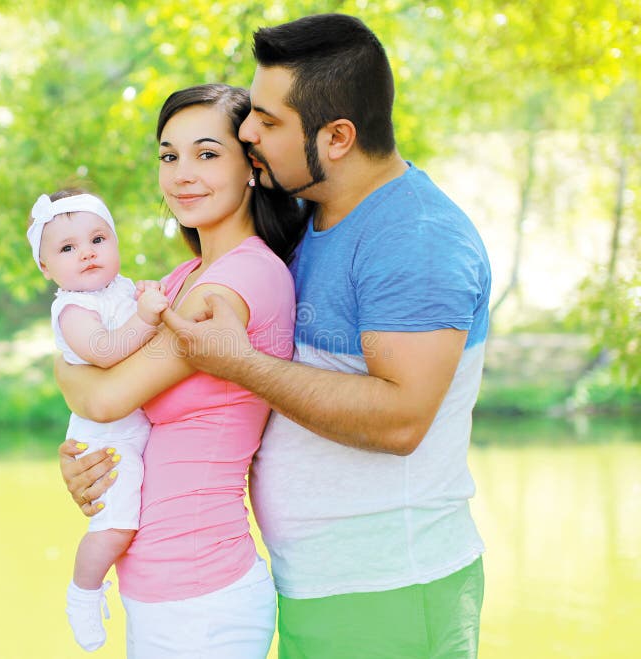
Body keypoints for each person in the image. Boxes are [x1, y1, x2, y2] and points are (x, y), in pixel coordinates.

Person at [61, 13, 492, 659]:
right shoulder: (308, 228)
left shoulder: (416, 239)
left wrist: (240, 364)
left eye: (268, 121)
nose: (250, 134)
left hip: (392, 588)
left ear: (338, 136)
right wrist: (99, 459)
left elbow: (402, 420)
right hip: (309, 583)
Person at [54, 83, 307, 658]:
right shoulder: (180, 280)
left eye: (207, 153)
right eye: (170, 156)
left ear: (252, 166)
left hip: (203, 596)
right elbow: (103, 401)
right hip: (159, 591)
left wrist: (63, 367)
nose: (182, 173)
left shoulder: (231, 286)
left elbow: (104, 396)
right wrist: (84, 463)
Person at [26, 188, 169, 651]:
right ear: (46, 267)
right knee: (115, 527)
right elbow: (105, 353)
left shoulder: (123, 288)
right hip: (107, 442)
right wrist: (149, 318)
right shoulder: (73, 309)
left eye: (97, 239)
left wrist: (146, 294)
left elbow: (140, 304)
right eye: (67, 248)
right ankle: (83, 593)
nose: (86, 253)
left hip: (134, 429)